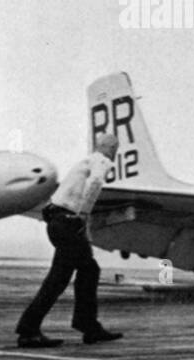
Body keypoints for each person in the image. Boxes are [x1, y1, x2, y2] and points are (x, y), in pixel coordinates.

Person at [15, 133, 123, 348]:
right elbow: (95, 182)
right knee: (59, 279)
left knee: (87, 270)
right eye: (115, 147)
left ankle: (87, 325)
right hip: (67, 223)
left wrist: (81, 222)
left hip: (59, 222)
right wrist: (83, 214)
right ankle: (30, 330)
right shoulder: (101, 161)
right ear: (110, 147)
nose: (115, 151)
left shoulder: (84, 162)